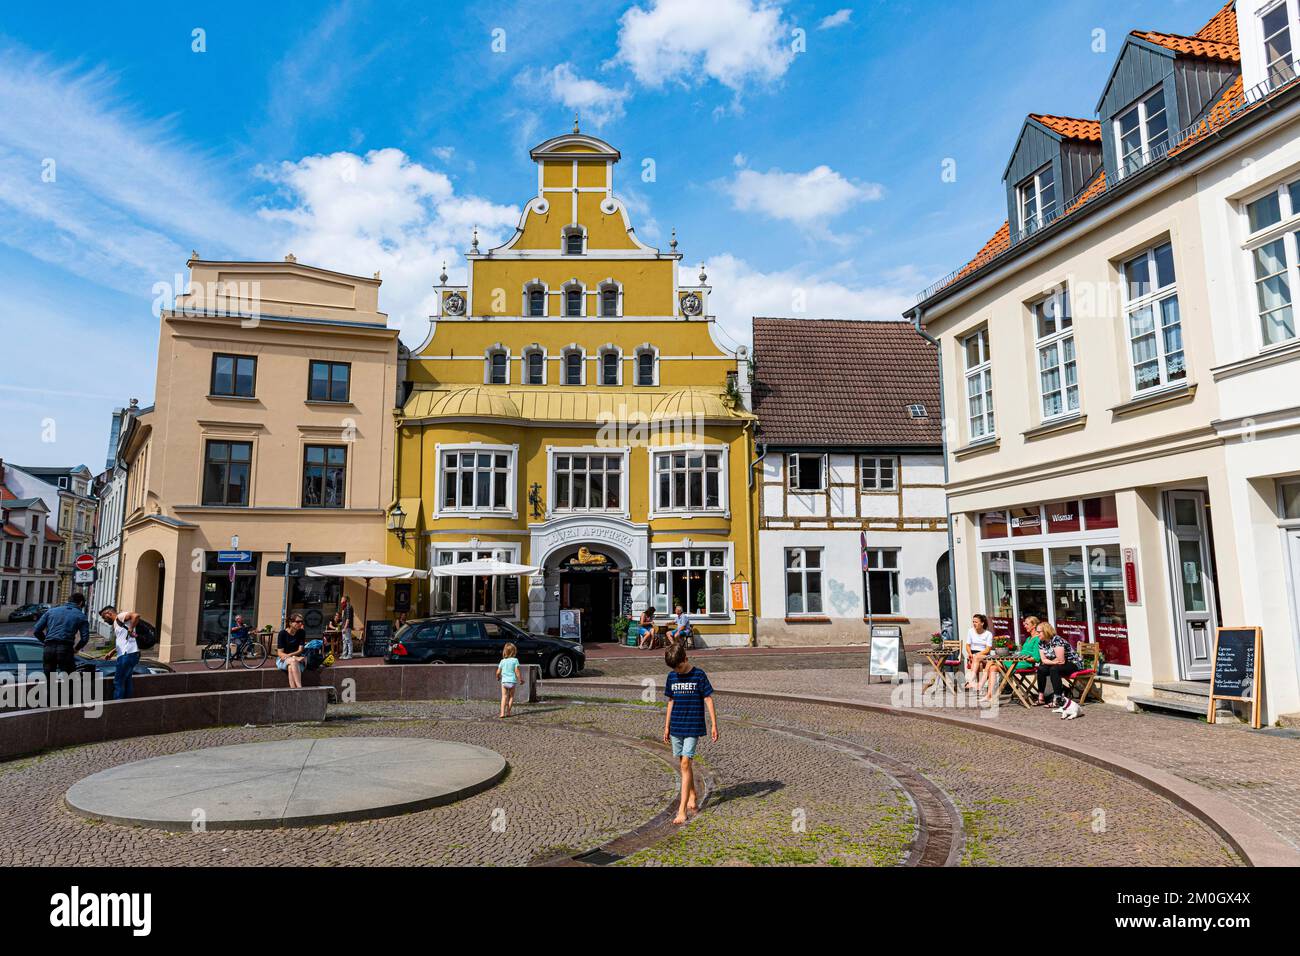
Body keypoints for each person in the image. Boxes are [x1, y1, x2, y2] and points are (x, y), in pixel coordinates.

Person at [662, 642, 718, 825]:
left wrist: (714, 725)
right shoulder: (672, 677)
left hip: (693, 726)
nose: (678, 671)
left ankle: (682, 810)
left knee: (686, 763)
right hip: (677, 726)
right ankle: (693, 795)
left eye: (679, 667)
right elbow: (671, 701)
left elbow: (708, 699)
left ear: (686, 659)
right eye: (674, 668)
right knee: (684, 765)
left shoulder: (699, 675)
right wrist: (666, 726)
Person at [33, 592, 90, 679]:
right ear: (81, 603)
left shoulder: (51, 611)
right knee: (70, 679)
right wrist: (76, 649)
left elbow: (37, 630)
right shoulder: (81, 616)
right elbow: (85, 638)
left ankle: (49, 692)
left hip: (49, 648)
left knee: (49, 680)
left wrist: (45, 642)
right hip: (66, 648)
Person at [1034, 621, 1085, 707]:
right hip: (1056, 663)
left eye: (1039, 632)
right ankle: (1041, 697)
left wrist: (1051, 662)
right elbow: (1043, 660)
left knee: (1054, 669)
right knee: (1041, 668)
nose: (1037, 634)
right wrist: (1053, 662)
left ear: (1046, 631)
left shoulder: (1057, 640)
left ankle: (1057, 699)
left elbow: (1061, 661)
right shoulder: (1041, 642)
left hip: (1073, 663)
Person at [98, 605, 141, 700]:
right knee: (127, 680)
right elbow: (122, 641)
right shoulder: (116, 623)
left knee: (118, 681)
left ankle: (117, 706)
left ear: (108, 613)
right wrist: (112, 652)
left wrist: (130, 628)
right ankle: (126, 704)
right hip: (129, 654)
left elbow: (136, 615)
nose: (104, 620)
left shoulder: (120, 616)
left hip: (127, 654)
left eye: (104, 617)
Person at [963, 613, 995, 694]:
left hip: (984, 655)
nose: (974, 624)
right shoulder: (970, 631)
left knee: (978, 659)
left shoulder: (988, 634)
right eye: (973, 622)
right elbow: (967, 645)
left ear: (982, 623)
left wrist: (977, 655)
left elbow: (988, 649)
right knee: (979, 665)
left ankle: (971, 681)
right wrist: (970, 653)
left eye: (976, 622)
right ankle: (980, 688)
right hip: (972, 655)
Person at [276, 614, 308, 688]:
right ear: (290, 623)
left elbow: (300, 650)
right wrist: (293, 657)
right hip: (283, 660)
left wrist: (292, 656)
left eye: (301, 622)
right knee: (293, 661)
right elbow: (280, 653)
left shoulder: (302, 632)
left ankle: (294, 690)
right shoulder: (282, 634)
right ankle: (300, 688)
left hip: (298, 660)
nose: (300, 624)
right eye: (298, 622)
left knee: (291, 666)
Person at [497, 642, 521, 718]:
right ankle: (508, 712)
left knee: (504, 697)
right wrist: (520, 679)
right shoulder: (515, 660)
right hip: (512, 682)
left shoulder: (502, 661)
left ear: (505, 651)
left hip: (504, 682)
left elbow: (497, 672)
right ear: (514, 652)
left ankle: (502, 713)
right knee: (511, 697)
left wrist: (498, 677)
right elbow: (517, 671)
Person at [337, 596, 355, 661]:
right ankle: (344, 654)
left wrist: (344, 627)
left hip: (346, 627)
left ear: (345, 600)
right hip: (344, 626)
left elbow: (348, 619)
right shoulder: (345, 607)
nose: (341, 600)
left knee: (348, 641)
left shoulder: (348, 607)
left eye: (342, 599)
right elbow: (345, 618)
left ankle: (350, 654)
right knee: (344, 641)